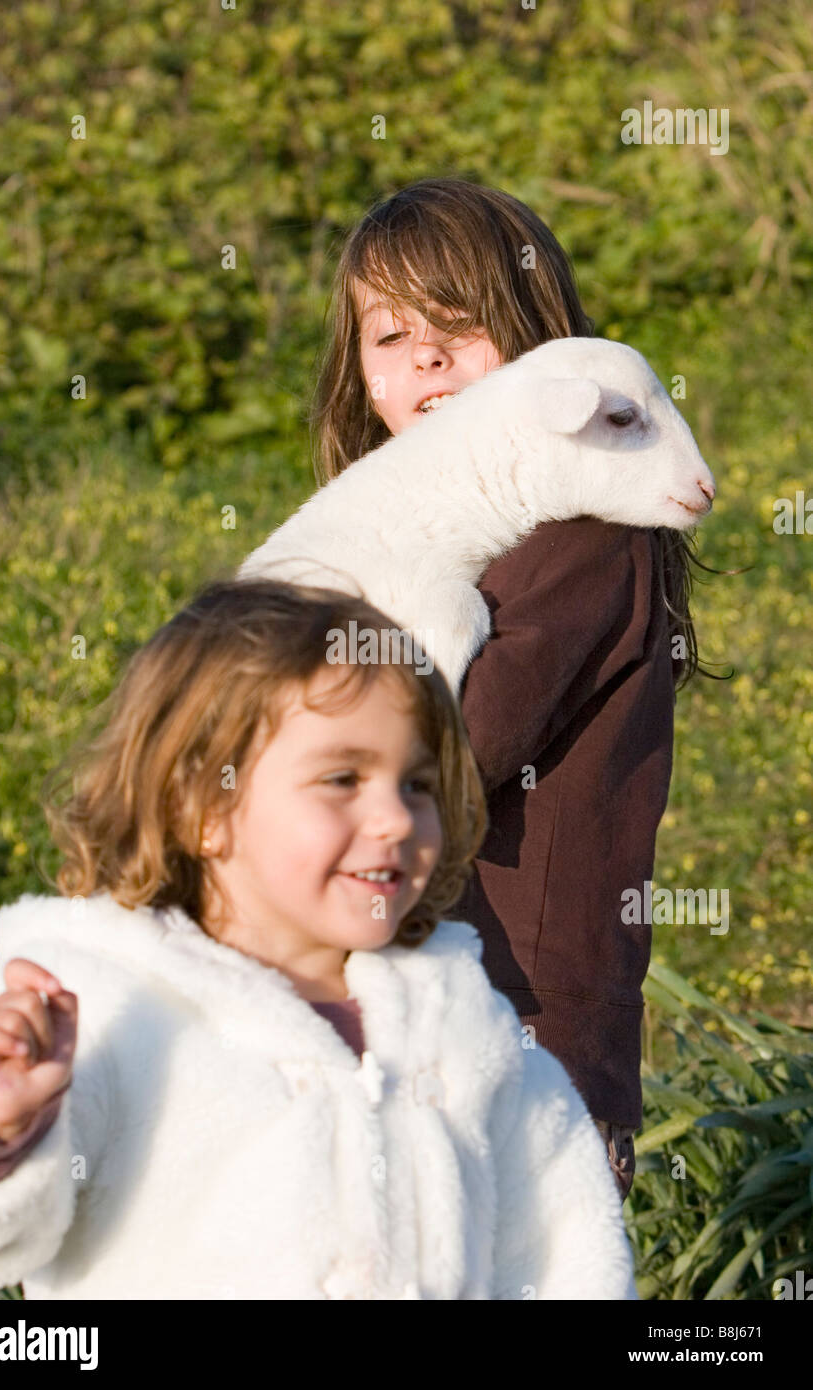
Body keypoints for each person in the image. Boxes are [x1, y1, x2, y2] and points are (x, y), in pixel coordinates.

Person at [0, 580, 637, 1300]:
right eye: (342, 778)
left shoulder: (461, 1020)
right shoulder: (88, 999)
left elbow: (565, 1250)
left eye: (418, 786)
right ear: (203, 807)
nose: (396, 820)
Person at [308, 176, 715, 1200]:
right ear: (359, 372)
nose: (427, 359)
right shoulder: (427, 527)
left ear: (538, 345)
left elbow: (453, 752)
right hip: (412, 990)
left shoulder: (581, 531)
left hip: (522, 1010)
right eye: (391, 336)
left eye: (460, 323)